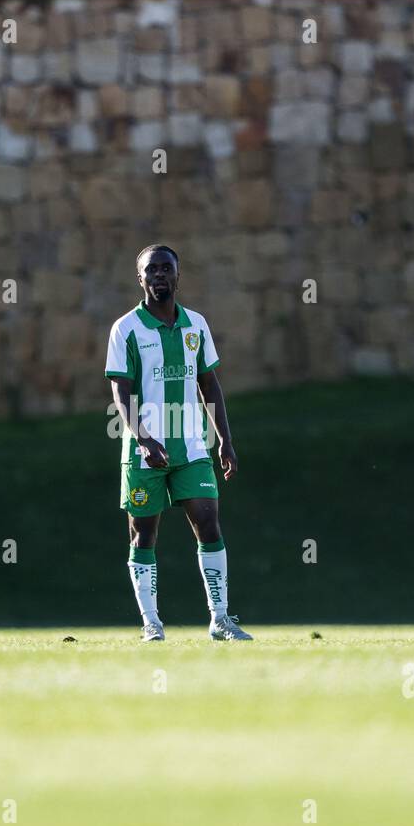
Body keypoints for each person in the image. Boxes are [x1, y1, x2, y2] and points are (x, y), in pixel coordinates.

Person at [104, 245, 250, 641]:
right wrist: (143, 438)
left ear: (178, 275)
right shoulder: (126, 329)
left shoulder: (196, 325)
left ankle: (220, 618)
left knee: (208, 523)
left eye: (166, 268)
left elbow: (209, 384)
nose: (159, 275)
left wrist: (226, 441)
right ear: (140, 278)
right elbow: (121, 391)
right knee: (143, 535)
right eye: (151, 270)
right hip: (144, 451)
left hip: (192, 447)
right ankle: (152, 623)